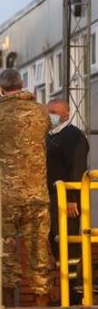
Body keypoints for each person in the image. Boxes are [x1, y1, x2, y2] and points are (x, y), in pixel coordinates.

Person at [0, 69, 52, 307]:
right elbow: (46, 130)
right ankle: (42, 302)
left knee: (3, 249)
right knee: (39, 248)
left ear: (1, 88)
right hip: (36, 192)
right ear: (22, 84)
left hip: (3, 194)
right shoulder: (41, 112)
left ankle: (5, 303)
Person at [46, 99, 89, 269]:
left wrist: (72, 198)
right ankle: (62, 285)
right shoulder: (49, 137)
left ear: (66, 114)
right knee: (55, 239)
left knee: (68, 239)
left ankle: (73, 287)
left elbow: (77, 168)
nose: (51, 116)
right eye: (49, 112)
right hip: (50, 196)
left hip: (65, 199)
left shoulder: (73, 136)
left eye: (55, 112)